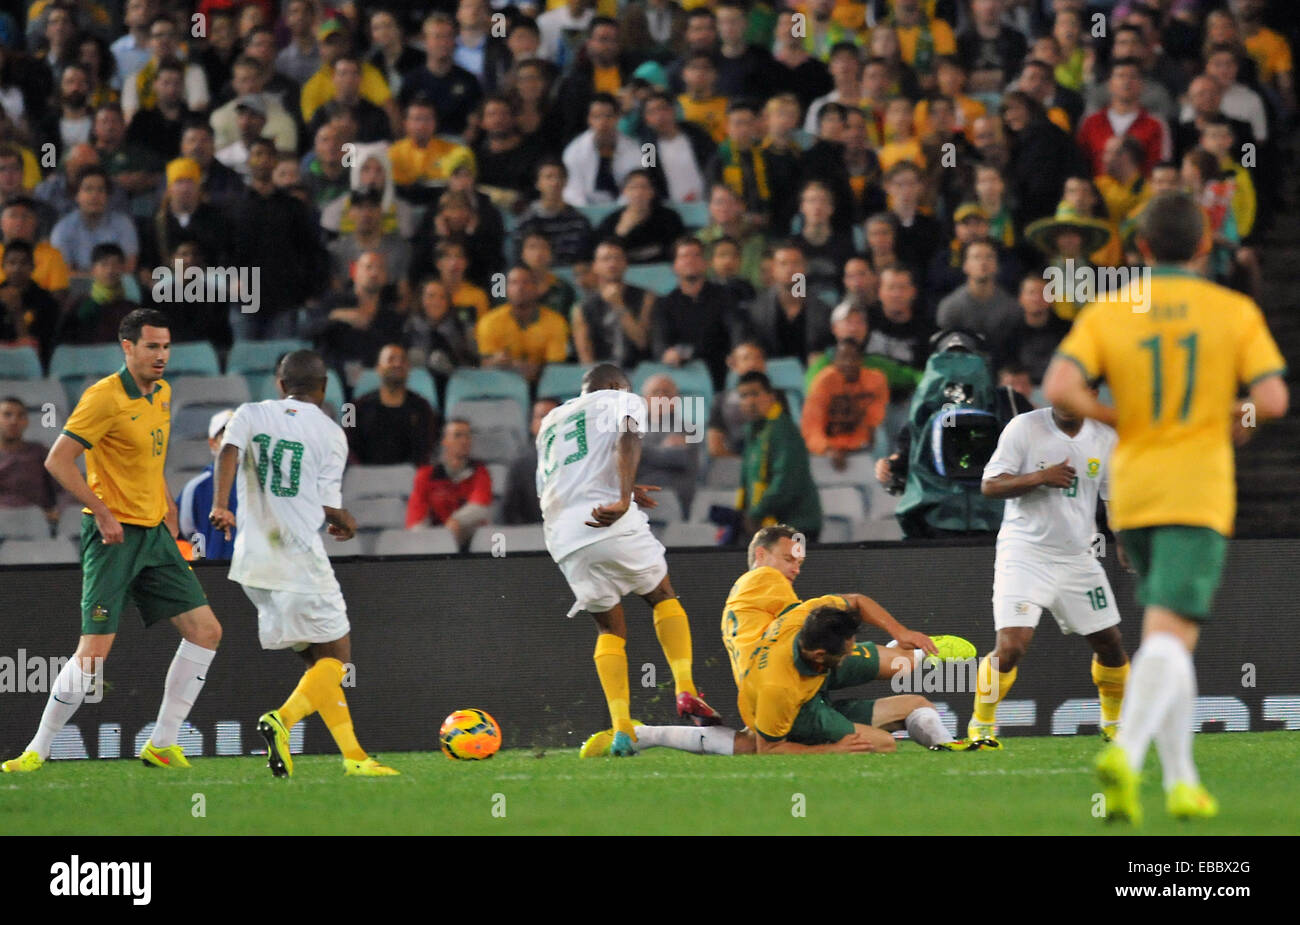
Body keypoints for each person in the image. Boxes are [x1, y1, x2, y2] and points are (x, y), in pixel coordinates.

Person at [1043, 192, 1288, 823]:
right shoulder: (1231, 309)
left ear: (1142, 248)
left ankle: (1182, 782)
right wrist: (1240, 415)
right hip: (1195, 490)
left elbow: (1060, 387)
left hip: (1133, 491)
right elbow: (1273, 399)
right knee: (1171, 641)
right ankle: (1126, 754)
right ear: (1206, 245)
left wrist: (1112, 414)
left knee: (1164, 638)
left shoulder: (1112, 308)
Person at [4, 309, 222, 774]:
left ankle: (162, 742)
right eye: (152, 347)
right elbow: (58, 462)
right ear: (128, 347)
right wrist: (101, 512)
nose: (161, 355)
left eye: (166, 347)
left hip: (153, 535)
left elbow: (152, 460)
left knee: (207, 631)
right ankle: (37, 750)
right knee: (95, 652)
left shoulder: (162, 393)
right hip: (112, 536)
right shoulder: (102, 397)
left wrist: (166, 509)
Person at [580, 523, 971, 757]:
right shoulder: (765, 580)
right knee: (760, 744)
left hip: (789, 665)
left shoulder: (773, 605)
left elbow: (826, 617)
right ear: (762, 556)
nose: (796, 567)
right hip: (781, 684)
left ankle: (921, 658)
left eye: (800, 561)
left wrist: (898, 635)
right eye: (789, 559)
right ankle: (644, 734)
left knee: (868, 661)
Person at [209, 350, 398, 779]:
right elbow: (329, 503)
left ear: (280, 384)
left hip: (251, 563)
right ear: (325, 387)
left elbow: (227, 453)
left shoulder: (250, 412)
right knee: (338, 656)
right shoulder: (332, 433)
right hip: (296, 558)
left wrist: (222, 505)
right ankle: (283, 720)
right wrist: (344, 519)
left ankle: (354, 756)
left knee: (319, 663)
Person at [536, 363, 723, 756]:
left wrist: (626, 487)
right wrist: (622, 497)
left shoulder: (552, 419)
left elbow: (567, 478)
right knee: (661, 595)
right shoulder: (623, 399)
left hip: (563, 534)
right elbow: (629, 436)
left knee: (609, 631)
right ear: (618, 385)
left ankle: (622, 727)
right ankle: (686, 687)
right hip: (608, 517)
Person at [971, 396, 1127, 748]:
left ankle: (1113, 722)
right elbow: (990, 485)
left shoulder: (1104, 436)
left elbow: (1112, 497)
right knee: (1011, 646)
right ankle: (981, 723)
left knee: (1111, 644)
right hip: (1024, 553)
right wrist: (1041, 476)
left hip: (1077, 557)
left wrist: (1122, 539)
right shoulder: (1024, 427)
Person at [736, 370, 821, 540]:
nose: (750, 401)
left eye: (755, 394)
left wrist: (756, 513)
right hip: (770, 526)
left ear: (771, 396)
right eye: (744, 396)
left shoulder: (783, 429)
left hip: (796, 525)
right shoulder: (753, 432)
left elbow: (785, 481)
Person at [347, 344, 439, 467]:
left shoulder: (423, 407)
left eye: (402, 360)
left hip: (408, 479)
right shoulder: (352, 407)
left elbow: (427, 449)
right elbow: (346, 446)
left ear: (409, 369)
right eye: (391, 359)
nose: (397, 364)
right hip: (365, 478)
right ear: (378, 368)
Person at [405, 418, 492, 548]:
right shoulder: (426, 475)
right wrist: (430, 541)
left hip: (471, 542)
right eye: (457, 435)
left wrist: (455, 521)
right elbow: (416, 519)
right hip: (434, 544)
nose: (464, 441)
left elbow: (480, 506)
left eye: (467, 436)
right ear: (444, 441)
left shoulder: (480, 471)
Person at [801, 339, 889, 464]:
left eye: (853, 357)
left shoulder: (876, 380)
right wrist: (827, 449)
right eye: (843, 358)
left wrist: (858, 441)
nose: (848, 363)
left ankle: (879, 478)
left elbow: (875, 419)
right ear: (834, 362)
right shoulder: (823, 382)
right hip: (827, 447)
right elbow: (811, 426)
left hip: (860, 445)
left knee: (881, 437)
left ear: (861, 360)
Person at [175, 409, 238, 561]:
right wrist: (202, 562)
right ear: (213, 443)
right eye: (227, 436)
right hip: (212, 574)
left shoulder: (259, 483)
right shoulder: (196, 488)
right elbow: (188, 532)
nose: (236, 442)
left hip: (253, 573)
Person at [503, 396, 561, 525]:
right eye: (541, 417)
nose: (547, 422)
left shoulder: (580, 460)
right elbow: (510, 512)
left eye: (553, 416)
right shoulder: (519, 464)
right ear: (532, 424)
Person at [0, 396, 58, 517]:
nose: (14, 421)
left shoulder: (40, 453)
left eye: (20, 415)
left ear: (26, 421)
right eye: (7, 415)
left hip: (37, 523)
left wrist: (58, 513)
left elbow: (63, 489)